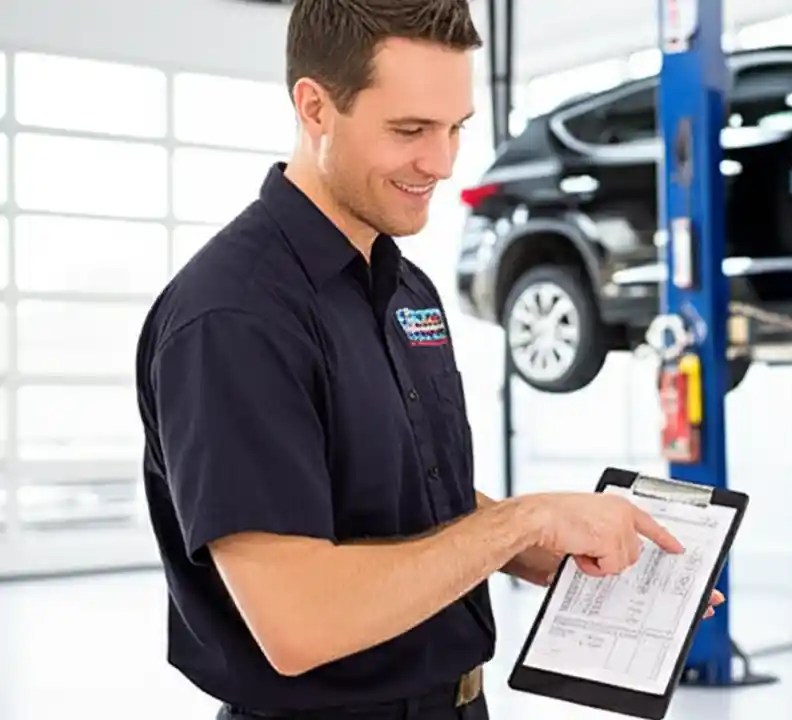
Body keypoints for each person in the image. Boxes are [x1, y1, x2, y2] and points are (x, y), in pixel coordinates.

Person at [134, 2, 721, 718]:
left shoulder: (403, 285)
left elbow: (405, 493)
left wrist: (547, 548)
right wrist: (519, 523)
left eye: (456, 129)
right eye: (410, 130)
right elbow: (297, 620)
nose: (442, 163)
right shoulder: (233, 318)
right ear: (315, 106)